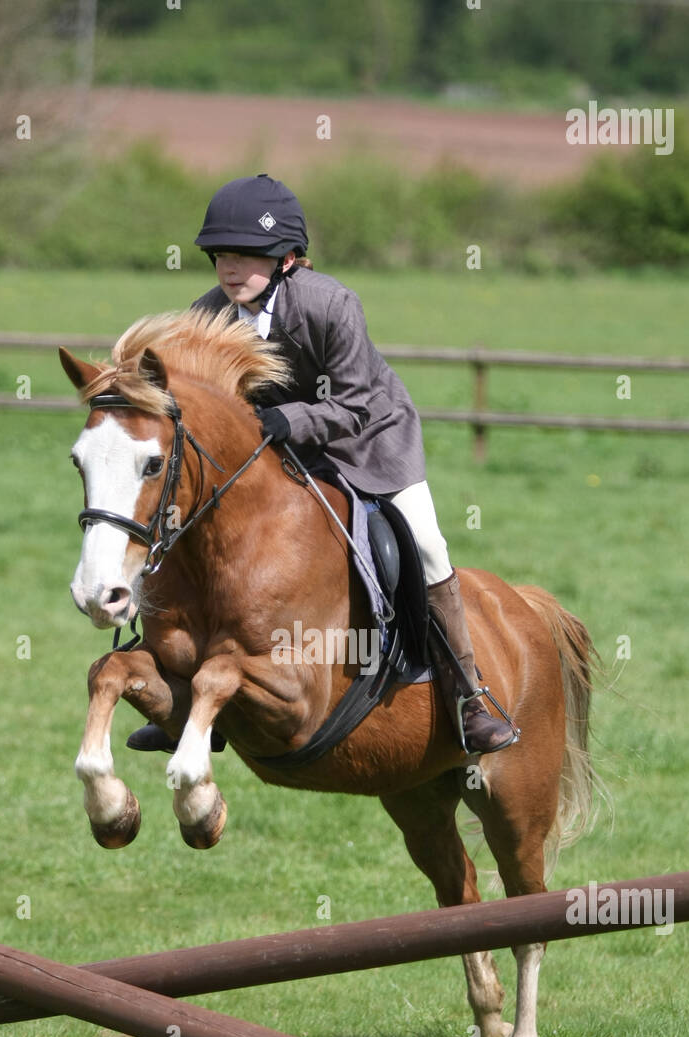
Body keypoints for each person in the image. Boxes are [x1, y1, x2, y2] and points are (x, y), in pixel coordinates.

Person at [129, 174, 516, 757]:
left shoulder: (330, 303)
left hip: (369, 442)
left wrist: (293, 421)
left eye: (248, 256)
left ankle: (469, 696)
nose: (231, 269)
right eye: (222, 256)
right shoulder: (207, 315)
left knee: (429, 546)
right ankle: (180, 691)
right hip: (275, 450)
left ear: (286, 258)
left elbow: (357, 402)